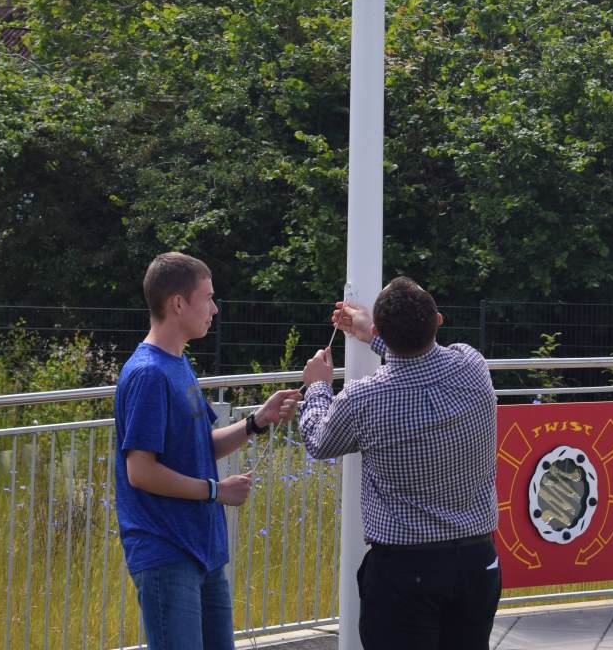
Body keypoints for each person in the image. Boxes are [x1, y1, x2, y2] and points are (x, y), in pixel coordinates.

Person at [299, 276, 501, 650]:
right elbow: (420, 355)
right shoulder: (473, 366)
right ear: (438, 319)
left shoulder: (364, 398)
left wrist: (317, 388)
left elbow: (319, 441)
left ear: (379, 330)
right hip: (477, 561)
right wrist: (375, 335)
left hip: (404, 572)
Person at [114, 252, 300, 650]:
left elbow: (199, 448)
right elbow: (140, 472)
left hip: (203, 550)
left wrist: (256, 422)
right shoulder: (148, 374)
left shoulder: (179, 363)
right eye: (209, 297)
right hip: (166, 552)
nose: (215, 309)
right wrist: (217, 491)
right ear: (178, 303)